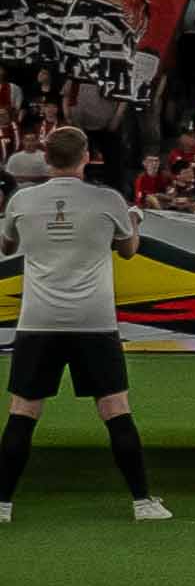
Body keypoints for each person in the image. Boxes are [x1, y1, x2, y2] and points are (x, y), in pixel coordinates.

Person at [0, 125, 164, 523]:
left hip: (39, 321)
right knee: (115, 409)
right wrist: (134, 218)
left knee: (23, 412)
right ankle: (143, 502)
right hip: (93, 320)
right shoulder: (107, 200)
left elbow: (7, 245)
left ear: (45, 157)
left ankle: (2, 504)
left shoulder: (22, 201)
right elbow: (128, 250)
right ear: (86, 156)